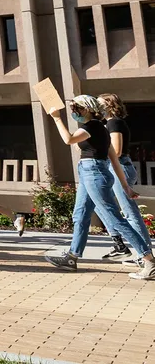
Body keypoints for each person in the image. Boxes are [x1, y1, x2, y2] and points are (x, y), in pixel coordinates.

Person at [44, 96, 155, 279]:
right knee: (80, 215)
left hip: (95, 174)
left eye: (76, 108)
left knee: (116, 219)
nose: (73, 111)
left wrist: (56, 118)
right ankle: (72, 257)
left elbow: (68, 139)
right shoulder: (100, 129)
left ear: (86, 109)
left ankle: (149, 261)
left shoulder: (93, 127)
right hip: (90, 173)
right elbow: (114, 160)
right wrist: (126, 187)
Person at [98, 93, 150, 265]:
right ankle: (120, 246)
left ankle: (145, 255)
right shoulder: (108, 123)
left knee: (129, 212)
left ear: (109, 105)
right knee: (101, 206)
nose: (97, 107)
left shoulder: (114, 122)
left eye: (100, 104)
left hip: (119, 168)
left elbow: (117, 150)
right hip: (114, 168)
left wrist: (95, 150)